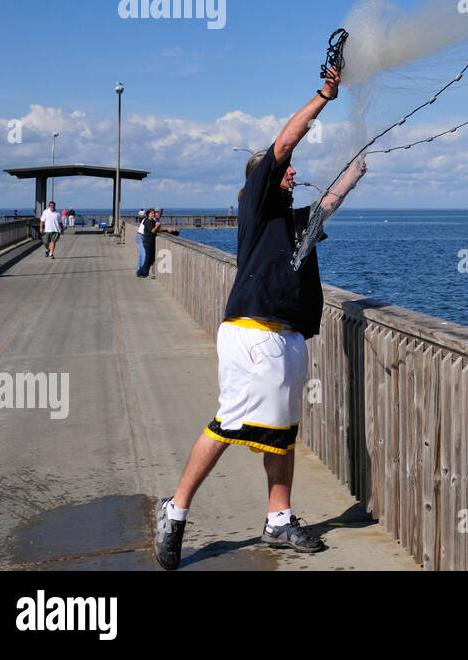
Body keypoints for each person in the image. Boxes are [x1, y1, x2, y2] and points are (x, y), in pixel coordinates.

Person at [155, 64, 366, 570]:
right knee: (230, 423)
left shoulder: (294, 220)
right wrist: (324, 97)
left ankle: (278, 520)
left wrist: (357, 168)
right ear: (265, 178)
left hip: (288, 338)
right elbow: (285, 141)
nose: (292, 171)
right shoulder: (256, 204)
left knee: (282, 431)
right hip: (252, 333)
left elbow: (330, 203)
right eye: (285, 167)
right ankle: (176, 511)